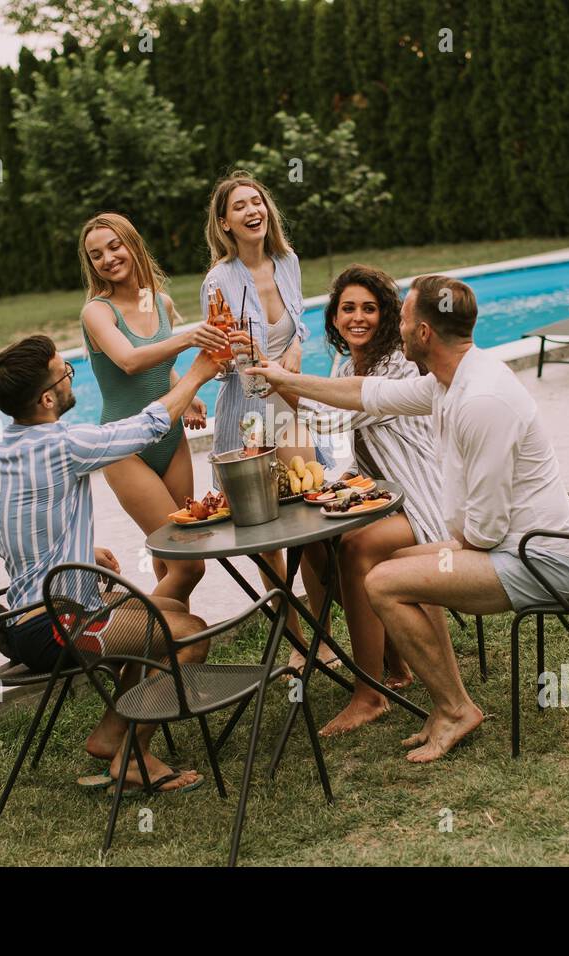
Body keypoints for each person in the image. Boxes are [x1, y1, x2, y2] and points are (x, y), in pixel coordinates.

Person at [244, 274, 569, 763]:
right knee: (397, 564)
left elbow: (486, 531)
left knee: (386, 581)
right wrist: (281, 377)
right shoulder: (450, 381)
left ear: (424, 333)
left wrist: (444, 551)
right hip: (510, 545)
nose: (397, 327)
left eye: (404, 318)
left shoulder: (481, 401)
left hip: (539, 559)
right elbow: (367, 394)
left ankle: (453, 707)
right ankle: (449, 701)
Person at [0, 333, 224, 792]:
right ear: (48, 398)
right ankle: (130, 757)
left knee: (174, 615)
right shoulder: (63, 444)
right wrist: (198, 373)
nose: (71, 381)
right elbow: (147, 427)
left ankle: (111, 732)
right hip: (58, 623)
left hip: (25, 618)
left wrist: (75, 553)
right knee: (190, 635)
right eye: (64, 375)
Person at [272, 264, 449, 736]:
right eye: (348, 308)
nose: (357, 317)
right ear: (334, 318)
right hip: (381, 497)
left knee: (355, 547)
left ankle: (369, 694)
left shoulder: (399, 365)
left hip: (424, 500)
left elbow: (338, 415)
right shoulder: (345, 367)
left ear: (386, 316)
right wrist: (281, 383)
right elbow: (329, 411)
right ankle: (396, 666)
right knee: (312, 536)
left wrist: (281, 381)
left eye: (369, 308)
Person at [201, 171, 337, 670]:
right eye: (239, 206)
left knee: (311, 514)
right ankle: (298, 641)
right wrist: (252, 359)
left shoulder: (288, 261)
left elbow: (298, 320)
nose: (252, 210)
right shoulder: (219, 279)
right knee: (265, 533)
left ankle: (324, 635)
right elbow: (220, 355)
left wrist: (296, 346)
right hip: (247, 410)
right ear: (225, 222)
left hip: (288, 398)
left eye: (257, 201)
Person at [79, 212, 231, 610]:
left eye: (115, 246)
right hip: (124, 447)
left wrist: (183, 389)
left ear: (133, 244)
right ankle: (133, 643)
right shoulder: (98, 312)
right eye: (96, 255)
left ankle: (170, 657)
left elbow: (156, 362)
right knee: (189, 563)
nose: (108, 259)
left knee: (170, 559)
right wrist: (187, 340)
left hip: (169, 437)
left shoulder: (155, 300)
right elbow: (129, 361)